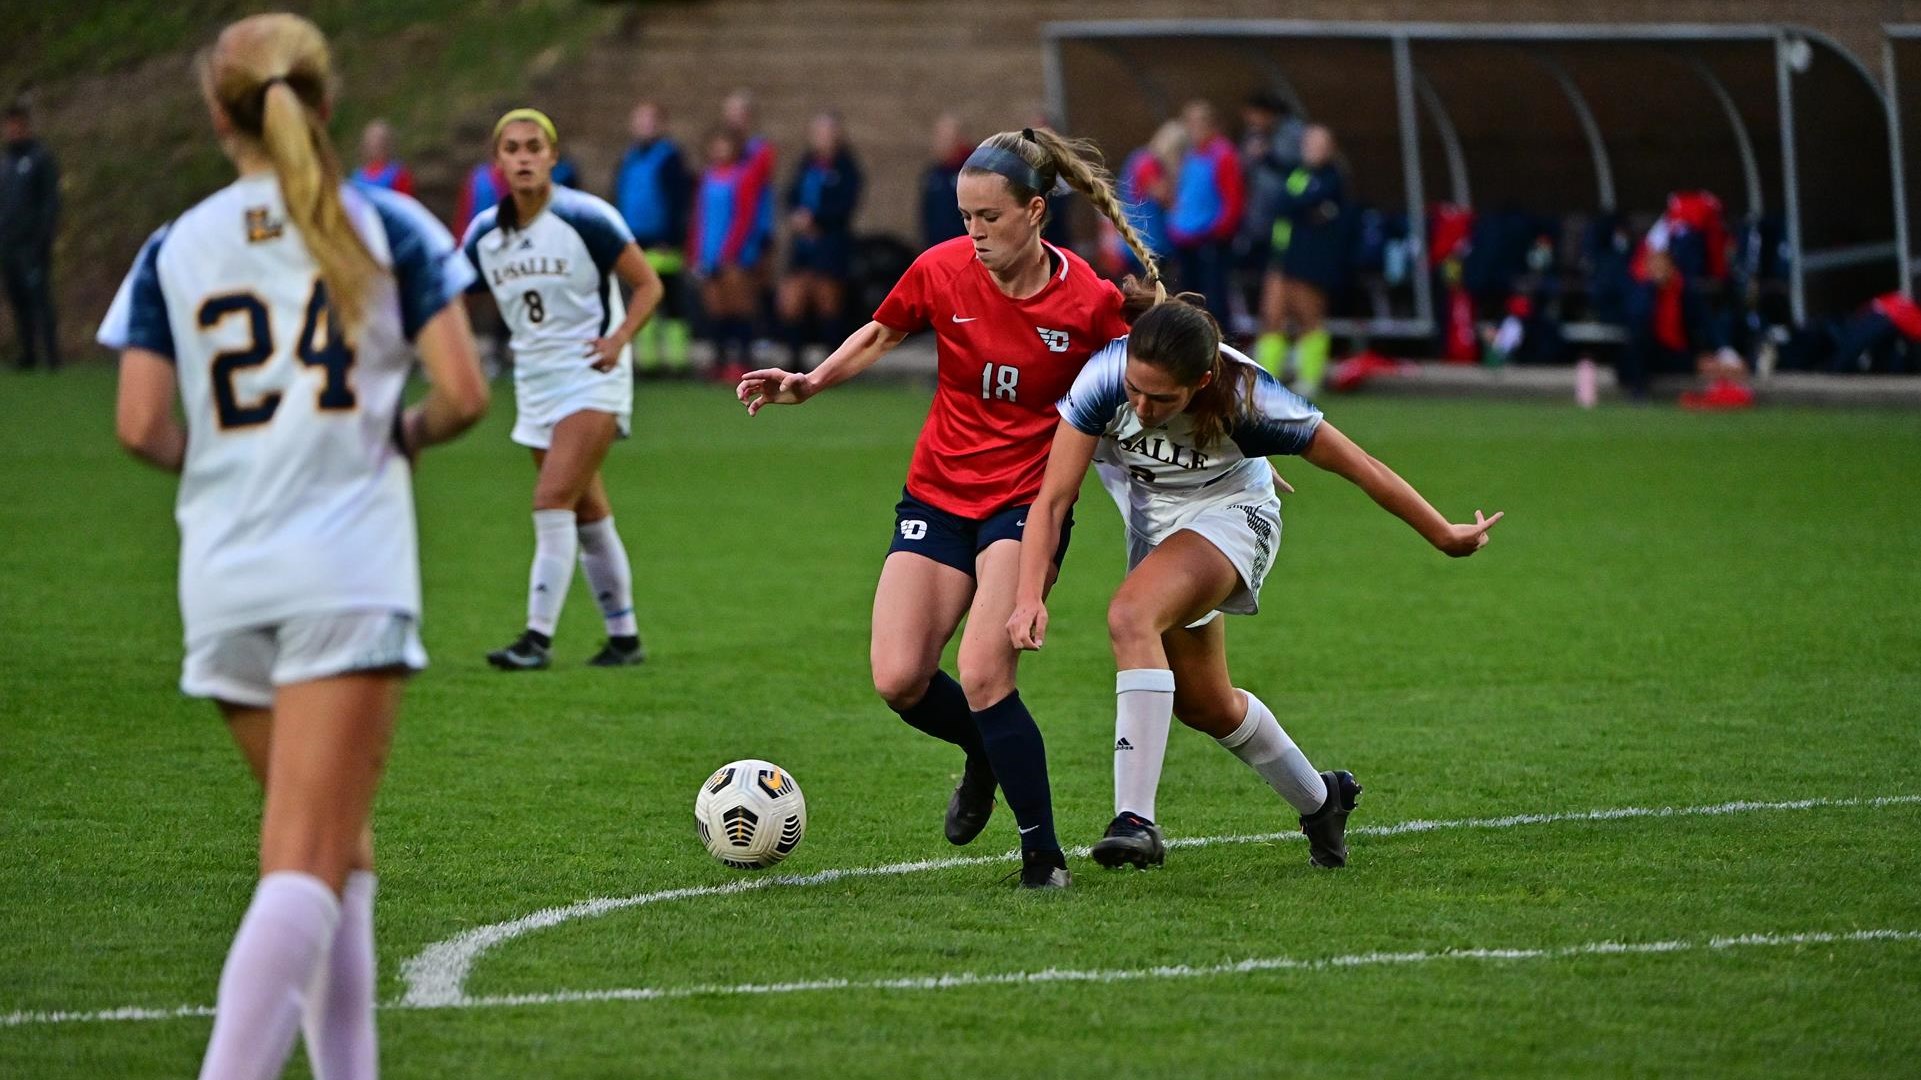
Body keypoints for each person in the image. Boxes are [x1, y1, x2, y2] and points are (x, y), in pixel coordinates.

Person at [99, 15, 488, 1078]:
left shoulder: (173, 244)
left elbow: (138, 425)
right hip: (343, 573)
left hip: (223, 576)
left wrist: (236, 469)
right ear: (324, 103)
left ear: (216, 116)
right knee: (309, 864)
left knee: (332, 851)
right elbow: (462, 394)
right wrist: (400, 437)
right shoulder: (386, 225)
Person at [736, 127, 1158, 889]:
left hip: (1024, 503)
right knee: (899, 677)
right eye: (966, 217)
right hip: (936, 492)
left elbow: (1162, 370)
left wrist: (1235, 442)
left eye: (989, 217)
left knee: (984, 673)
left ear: (1035, 212)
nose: (974, 232)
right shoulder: (941, 268)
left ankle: (1042, 857)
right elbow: (881, 331)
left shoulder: (1089, 301)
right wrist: (810, 381)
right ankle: (980, 751)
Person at [1009, 295, 1501, 870]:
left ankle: (1134, 819)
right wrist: (1028, 595)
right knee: (1206, 706)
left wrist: (1443, 533)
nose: (1141, 406)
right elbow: (1053, 501)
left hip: (1234, 515)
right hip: (1154, 532)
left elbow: (1361, 466)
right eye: (1135, 390)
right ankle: (1322, 800)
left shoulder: (1251, 400)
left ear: (1202, 381)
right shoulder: (1103, 379)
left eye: (1161, 399)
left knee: (1130, 615)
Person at [463, 109, 665, 670]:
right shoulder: (484, 233)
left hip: (591, 374)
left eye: (534, 146)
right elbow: (451, 294)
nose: (524, 157)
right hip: (534, 381)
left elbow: (648, 284)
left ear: (553, 156)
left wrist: (619, 338)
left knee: (551, 500)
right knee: (587, 512)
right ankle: (624, 638)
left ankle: (537, 639)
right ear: (498, 161)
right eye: (512, 149)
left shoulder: (585, 216)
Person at [1257, 125, 1350, 395]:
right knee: (1272, 315)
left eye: (1319, 144)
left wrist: (1299, 207)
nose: (1312, 149)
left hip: (1310, 259)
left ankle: (1309, 378)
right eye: (1309, 143)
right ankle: (1266, 378)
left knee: (1308, 317)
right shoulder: (1297, 173)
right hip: (1282, 255)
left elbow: (1301, 206)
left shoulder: (1331, 178)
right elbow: (1286, 205)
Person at [613, 100, 693, 377]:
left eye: (650, 120)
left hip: (663, 242)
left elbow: (680, 200)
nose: (644, 126)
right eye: (640, 120)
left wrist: (672, 237)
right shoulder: (629, 157)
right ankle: (648, 362)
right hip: (635, 241)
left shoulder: (670, 157)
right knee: (641, 301)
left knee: (670, 300)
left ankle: (677, 361)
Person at [777, 110, 863, 368]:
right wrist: (797, 217)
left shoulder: (846, 168)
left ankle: (833, 363)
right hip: (803, 246)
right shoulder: (805, 165)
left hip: (830, 244)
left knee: (829, 303)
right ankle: (794, 360)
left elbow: (845, 205)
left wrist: (817, 219)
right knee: (792, 301)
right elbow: (791, 195)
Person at [688, 127, 765, 380]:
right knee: (715, 309)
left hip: (734, 254)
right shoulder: (707, 177)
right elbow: (699, 217)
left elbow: (745, 216)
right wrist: (695, 252)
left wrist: (730, 251)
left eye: (725, 144)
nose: (720, 150)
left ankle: (743, 360)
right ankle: (719, 360)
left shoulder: (742, 176)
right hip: (709, 251)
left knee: (738, 306)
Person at [1166, 100, 1243, 324]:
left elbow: (1232, 199)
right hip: (1185, 239)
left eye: (1197, 123)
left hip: (1209, 239)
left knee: (1214, 299)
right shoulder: (1190, 155)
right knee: (1187, 298)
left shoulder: (1222, 154)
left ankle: (1219, 340)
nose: (1192, 129)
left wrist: (1218, 232)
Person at [1, 101, 61, 370]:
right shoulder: (6, 162)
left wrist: (42, 238)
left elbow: (50, 202)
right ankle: (27, 354)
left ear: (26, 127)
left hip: (32, 244)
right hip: (8, 244)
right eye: (8, 127)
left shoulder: (40, 158)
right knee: (17, 299)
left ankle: (52, 355)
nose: (12, 131)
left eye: (16, 126)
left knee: (39, 298)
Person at [1099, 120, 1181, 280]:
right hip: (1147, 241)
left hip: (1138, 238)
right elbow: (1164, 196)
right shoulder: (1147, 163)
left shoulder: (1139, 157)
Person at [919, 114, 970, 249]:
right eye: (939, 138)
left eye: (946, 139)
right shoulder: (933, 175)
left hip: (965, 247)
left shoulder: (973, 171)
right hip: (938, 246)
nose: (941, 144)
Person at [352, 118, 414, 195]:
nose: (375, 143)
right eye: (371, 139)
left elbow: (404, 200)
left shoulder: (399, 174)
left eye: (379, 139)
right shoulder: (357, 176)